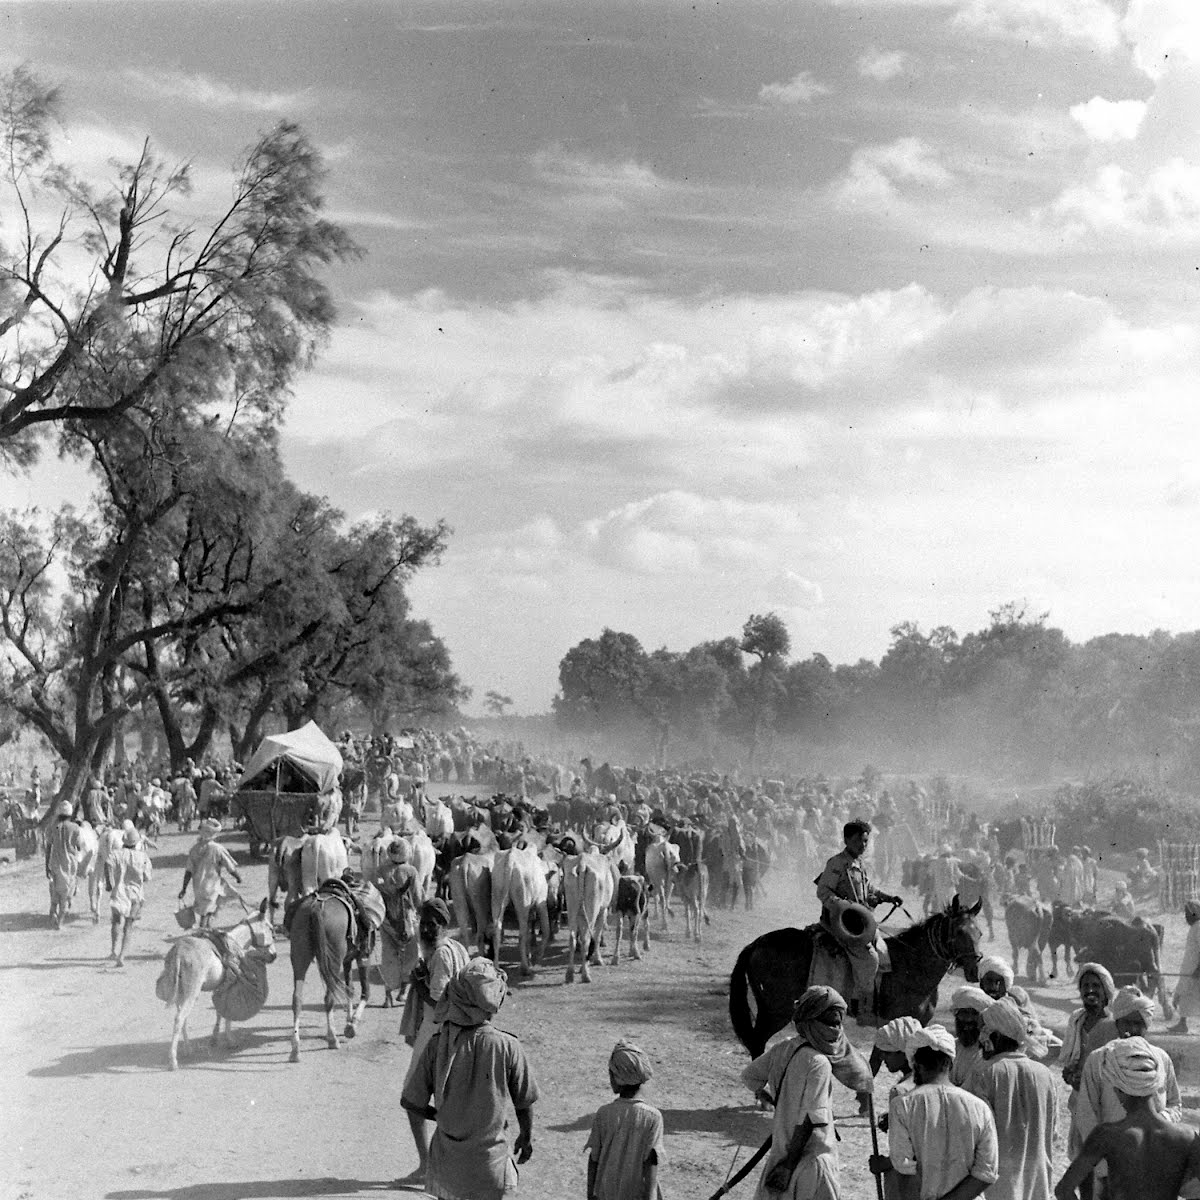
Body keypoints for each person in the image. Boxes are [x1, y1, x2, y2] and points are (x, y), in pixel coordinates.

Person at [400, 956, 537, 1199]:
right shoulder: (507, 1046)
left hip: (447, 1169)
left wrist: (442, 1115)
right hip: (490, 1168)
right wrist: (526, 1137)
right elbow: (524, 1102)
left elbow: (411, 1102)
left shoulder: (437, 1045)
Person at [740, 986, 864, 1200]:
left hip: (781, 1154)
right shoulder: (819, 1063)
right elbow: (811, 1118)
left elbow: (750, 1076)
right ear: (810, 1021)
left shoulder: (783, 1048)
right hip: (809, 1163)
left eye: (838, 1023)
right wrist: (788, 1167)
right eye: (829, 1023)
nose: (835, 1030)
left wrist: (767, 1095)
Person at [1056, 1037, 1200, 1200]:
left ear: (1118, 1090)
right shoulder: (1186, 1137)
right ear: (1155, 1087)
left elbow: (1063, 1190)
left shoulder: (1106, 1135)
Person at [869, 1023, 999, 1200]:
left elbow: (904, 1168)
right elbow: (986, 1172)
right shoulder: (979, 1107)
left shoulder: (903, 1106)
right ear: (950, 1062)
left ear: (915, 1063)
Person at [1076, 986, 1183, 1195]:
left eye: (1139, 1024)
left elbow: (1175, 1103)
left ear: (1147, 1026)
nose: (1133, 1029)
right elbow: (1087, 1115)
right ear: (1117, 1023)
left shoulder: (1161, 1059)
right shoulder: (1099, 1060)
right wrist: (1105, 1168)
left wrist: (1160, 1120)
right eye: (1128, 1022)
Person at [968, 997, 1057, 1200]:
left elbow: (977, 1137)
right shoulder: (1045, 1074)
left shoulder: (985, 1073)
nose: (980, 1039)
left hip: (997, 1188)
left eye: (983, 1031)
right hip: (1038, 1185)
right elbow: (1051, 1132)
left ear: (996, 1036)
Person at [815, 820, 901, 1021]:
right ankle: (858, 1004)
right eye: (858, 841)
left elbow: (869, 889)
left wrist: (888, 897)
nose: (863, 845)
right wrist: (844, 906)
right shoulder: (836, 863)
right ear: (846, 840)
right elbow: (823, 891)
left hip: (860, 922)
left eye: (865, 841)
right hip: (841, 922)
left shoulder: (860, 864)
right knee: (870, 960)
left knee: (884, 951)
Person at [402, 899, 470, 1091]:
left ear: (443, 926)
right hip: (458, 1027)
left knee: (412, 1091)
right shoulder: (457, 947)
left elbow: (438, 1002)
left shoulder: (441, 954)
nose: (424, 930)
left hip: (436, 1029)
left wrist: (416, 983)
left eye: (431, 925)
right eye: (423, 924)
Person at [585, 1038, 665, 1200]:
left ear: (617, 1077)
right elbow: (651, 1164)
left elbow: (594, 1159)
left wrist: (590, 1195)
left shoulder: (604, 1114)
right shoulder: (653, 1117)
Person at [179, 817, 243, 928]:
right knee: (207, 911)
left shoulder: (194, 849)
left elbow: (188, 871)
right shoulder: (217, 848)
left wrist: (184, 888)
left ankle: (206, 929)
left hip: (198, 885)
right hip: (211, 884)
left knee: (207, 909)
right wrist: (238, 877)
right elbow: (229, 866)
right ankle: (202, 931)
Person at [105, 822, 153, 967]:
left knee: (115, 921)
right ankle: (122, 955)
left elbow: (107, 864)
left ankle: (113, 950)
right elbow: (147, 877)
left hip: (118, 893)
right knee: (129, 925)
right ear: (137, 842)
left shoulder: (116, 854)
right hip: (135, 894)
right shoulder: (143, 857)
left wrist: (109, 882)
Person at [45, 799, 84, 928]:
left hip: (55, 862)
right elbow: (79, 846)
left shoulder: (52, 826)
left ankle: (53, 911)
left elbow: (48, 847)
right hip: (70, 865)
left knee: (55, 889)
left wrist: (47, 865)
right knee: (66, 893)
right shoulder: (75, 827)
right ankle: (60, 922)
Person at [950, 985, 994, 1087]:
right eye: (964, 1012)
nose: (968, 1019)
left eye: (974, 1013)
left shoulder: (989, 1052)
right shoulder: (950, 1047)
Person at [1169, 900, 1200, 1035]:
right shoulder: (1195, 927)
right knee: (1187, 995)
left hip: (1196, 969)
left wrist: (1198, 969)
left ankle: (1183, 1023)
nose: (1186, 916)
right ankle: (1182, 1023)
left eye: (1188, 913)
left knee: (1191, 995)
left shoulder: (1199, 927)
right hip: (1190, 968)